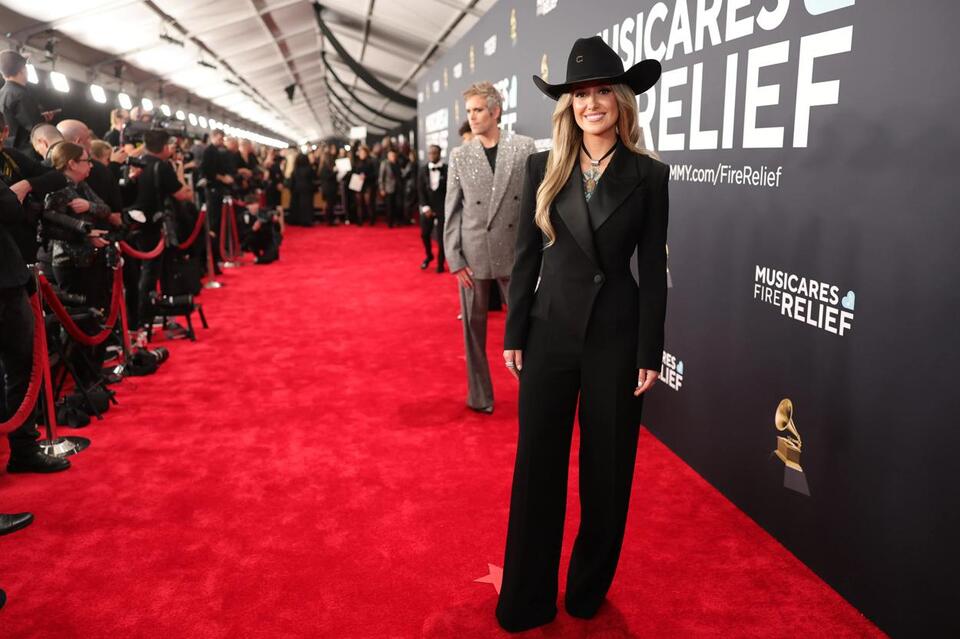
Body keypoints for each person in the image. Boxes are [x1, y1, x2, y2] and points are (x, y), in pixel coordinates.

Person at [494, 37, 669, 632]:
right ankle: (526, 597)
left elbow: (653, 269)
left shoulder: (650, 174)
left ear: (621, 100)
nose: (590, 104)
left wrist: (650, 348)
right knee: (537, 467)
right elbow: (525, 257)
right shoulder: (542, 167)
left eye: (600, 92)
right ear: (567, 105)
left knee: (607, 470)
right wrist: (515, 330)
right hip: (550, 331)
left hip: (616, 336)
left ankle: (587, 590)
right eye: (578, 95)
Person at [443, 81, 536, 414]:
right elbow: (452, 209)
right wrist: (455, 259)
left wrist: (536, 252)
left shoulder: (524, 147)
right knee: (473, 329)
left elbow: (536, 203)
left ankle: (535, 392)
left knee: (527, 327)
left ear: (495, 111)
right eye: (469, 111)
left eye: (478, 110)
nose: (472, 117)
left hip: (515, 252)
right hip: (474, 253)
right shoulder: (460, 155)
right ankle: (479, 396)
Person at [129, 130, 192, 329]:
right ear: (165, 147)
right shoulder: (162, 166)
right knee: (152, 272)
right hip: (153, 224)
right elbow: (183, 195)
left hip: (132, 222)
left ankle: (140, 314)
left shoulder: (135, 163)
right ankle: (145, 316)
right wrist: (179, 172)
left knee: (138, 273)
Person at [0, 50, 55, 154]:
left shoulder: (2, 94)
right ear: (22, 70)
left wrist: (41, 117)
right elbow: (36, 129)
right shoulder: (21, 95)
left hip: (8, 153)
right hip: (26, 154)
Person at [417, 144, 447, 272]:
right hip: (427, 208)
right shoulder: (422, 170)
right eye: (430, 153)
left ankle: (440, 263)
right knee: (424, 234)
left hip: (442, 208)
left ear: (440, 154)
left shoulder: (447, 169)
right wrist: (425, 207)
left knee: (441, 237)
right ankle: (429, 256)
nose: (432, 155)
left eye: (435, 153)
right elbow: (420, 190)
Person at [287, 153, 316, 226]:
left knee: (296, 205)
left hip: (296, 189)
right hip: (307, 189)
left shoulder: (295, 170)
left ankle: (295, 220)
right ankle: (306, 221)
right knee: (306, 206)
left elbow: (292, 181)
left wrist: (291, 189)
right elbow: (313, 179)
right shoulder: (309, 169)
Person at [378, 149, 402, 227]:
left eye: (394, 155)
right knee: (389, 206)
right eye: (391, 155)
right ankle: (390, 222)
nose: (393, 157)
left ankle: (397, 221)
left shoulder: (398, 163)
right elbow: (381, 177)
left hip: (398, 187)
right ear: (388, 156)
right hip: (388, 188)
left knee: (398, 205)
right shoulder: (384, 164)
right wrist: (382, 189)